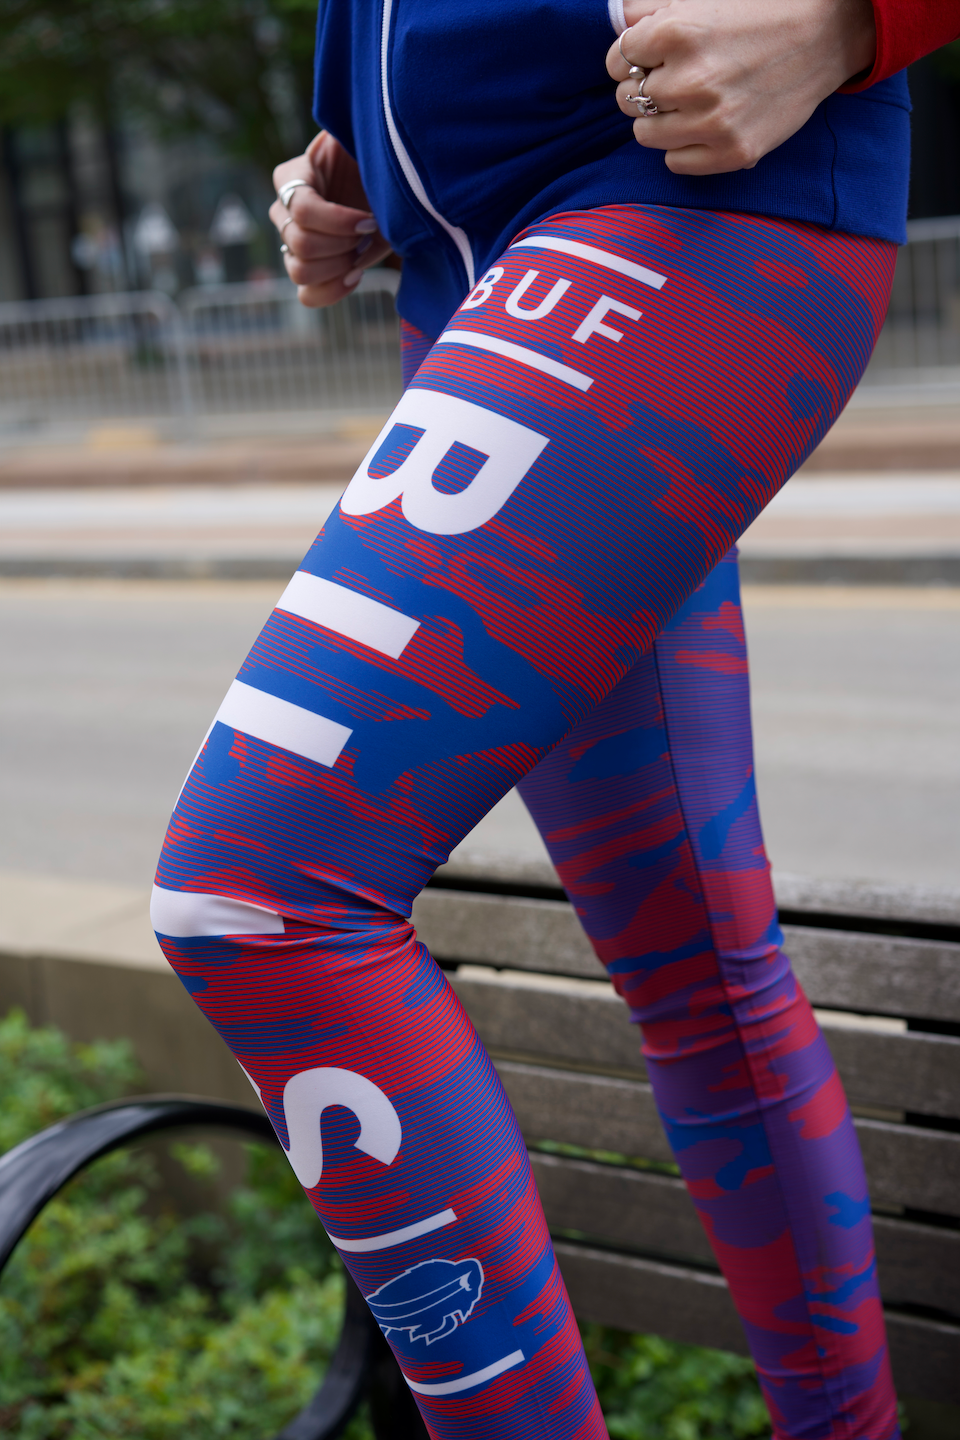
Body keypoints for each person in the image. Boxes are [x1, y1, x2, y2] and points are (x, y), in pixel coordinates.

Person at [152, 3, 960, 1438]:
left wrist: (852, 19)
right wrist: (359, 150)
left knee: (258, 895)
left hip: (686, 193)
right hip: (469, 270)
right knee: (694, 960)